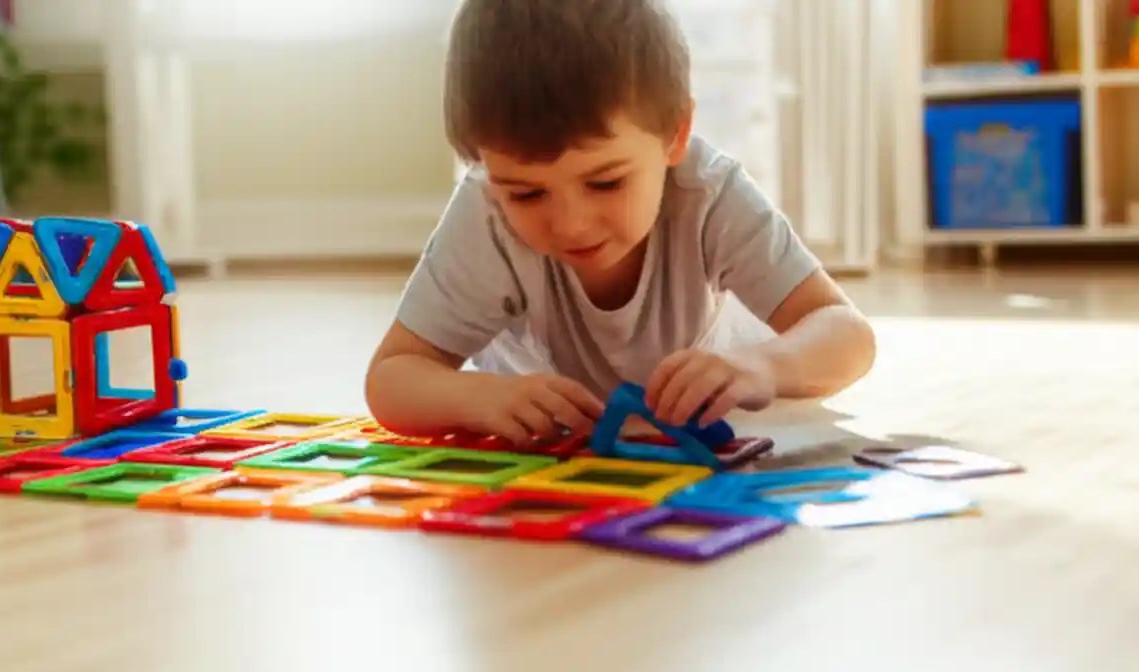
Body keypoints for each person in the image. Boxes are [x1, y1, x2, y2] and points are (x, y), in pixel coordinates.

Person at [365, 0, 876, 446]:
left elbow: (846, 335)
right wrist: (476, 397)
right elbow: (390, 378)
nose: (570, 224)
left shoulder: (710, 194)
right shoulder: (484, 209)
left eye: (606, 183)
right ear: (483, 165)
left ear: (676, 135)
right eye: (526, 193)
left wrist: (764, 366)